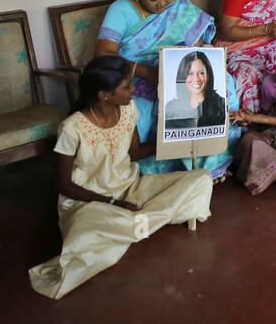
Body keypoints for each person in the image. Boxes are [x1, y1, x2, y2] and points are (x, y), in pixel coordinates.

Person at [28, 57, 213, 300]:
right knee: (83, 235)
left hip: (131, 186)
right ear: (104, 95)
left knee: (202, 179)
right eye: (126, 86)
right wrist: (113, 203)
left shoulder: (128, 109)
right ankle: (143, 220)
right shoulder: (71, 129)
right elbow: (63, 184)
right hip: (89, 203)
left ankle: (134, 222)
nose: (133, 89)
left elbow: (134, 153)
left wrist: (177, 138)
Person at [94, 0, 235, 181]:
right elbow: (104, 53)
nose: (162, 4)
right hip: (137, 73)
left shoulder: (178, 7)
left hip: (177, 68)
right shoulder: (121, 9)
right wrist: (148, 72)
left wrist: (185, 62)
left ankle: (210, 160)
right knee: (146, 107)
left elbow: (196, 42)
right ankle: (172, 165)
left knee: (221, 83)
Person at [162, 50, 229, 131]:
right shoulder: (171, 107)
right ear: (183, 78)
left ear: (208, 76)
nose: (196, 79)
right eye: (190, 73)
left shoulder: (221, 105)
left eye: (201, 73)